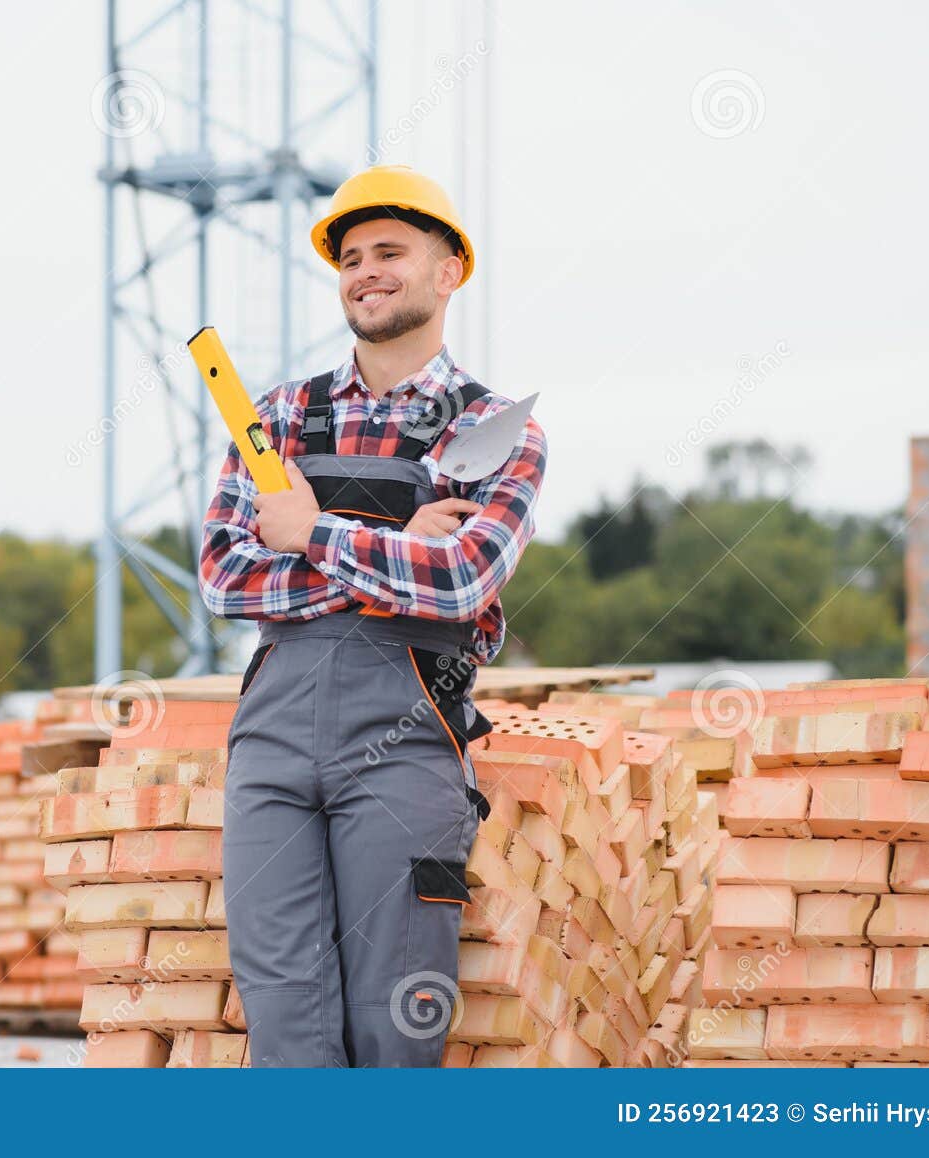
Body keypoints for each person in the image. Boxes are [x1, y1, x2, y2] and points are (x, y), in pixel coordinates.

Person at [197, 164, 547, 1066]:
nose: (366, 271)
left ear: (448, 271)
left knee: (396, 1029)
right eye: (351, 258)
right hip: (271, 744)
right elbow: (225, 576)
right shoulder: (275, 416)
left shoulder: (493, 427)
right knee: (287, 1030)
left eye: (390, 251)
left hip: (407, 739)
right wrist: (387, 548)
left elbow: (464, 578)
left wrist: (309, 530)